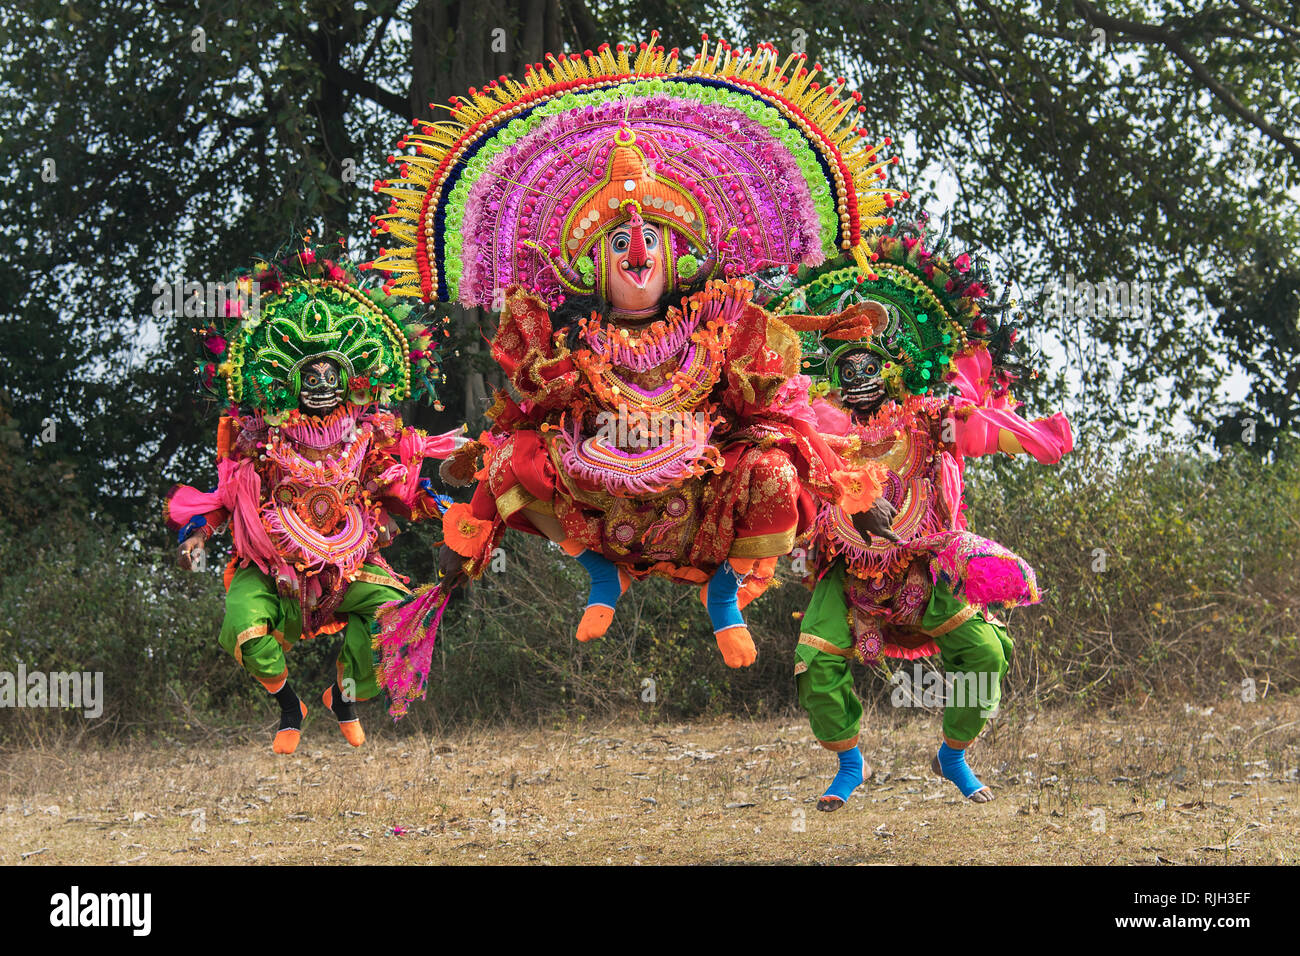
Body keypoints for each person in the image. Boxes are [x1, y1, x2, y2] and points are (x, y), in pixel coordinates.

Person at [366, 36, 904, 682]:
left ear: (677, 253)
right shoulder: (580, 341)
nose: (637, 254)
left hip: (700, 490)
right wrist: (470, 521)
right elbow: (530, 415)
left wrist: (835, 474)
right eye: (619, 241)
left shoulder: (717, 323)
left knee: (778, 471)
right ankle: (601, 577)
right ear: (593, 263)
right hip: (604, 493)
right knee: (512, 458)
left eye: (651, 238)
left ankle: (724, 593)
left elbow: (765, 403)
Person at [762, 230, 1075, 807]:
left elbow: (978, 428)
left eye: (868, 366)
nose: (857, 378)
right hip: (848, 575)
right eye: (844, 368)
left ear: (889, 369)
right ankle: (849, 766)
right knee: (814, 662)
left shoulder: (926, 421)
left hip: (925, 568)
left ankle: (953, 756)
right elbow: (778, 461)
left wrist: (1031, 440)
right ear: (831, 377)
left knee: (984, 652)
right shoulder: (819, 433)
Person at [166, 247, 461, 752]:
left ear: (349, 378)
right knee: (242, 627)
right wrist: (197, 537)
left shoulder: (368, 434)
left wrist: (445, 505)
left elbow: (398, 483)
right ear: (291, 381)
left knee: (397, 614)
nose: (322, 386)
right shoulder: (258, 438)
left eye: (332, 376)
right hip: (274, 568)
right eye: (312, 376)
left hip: (347, 567)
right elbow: (223, 498)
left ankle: (343, 698)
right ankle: (289, 706)